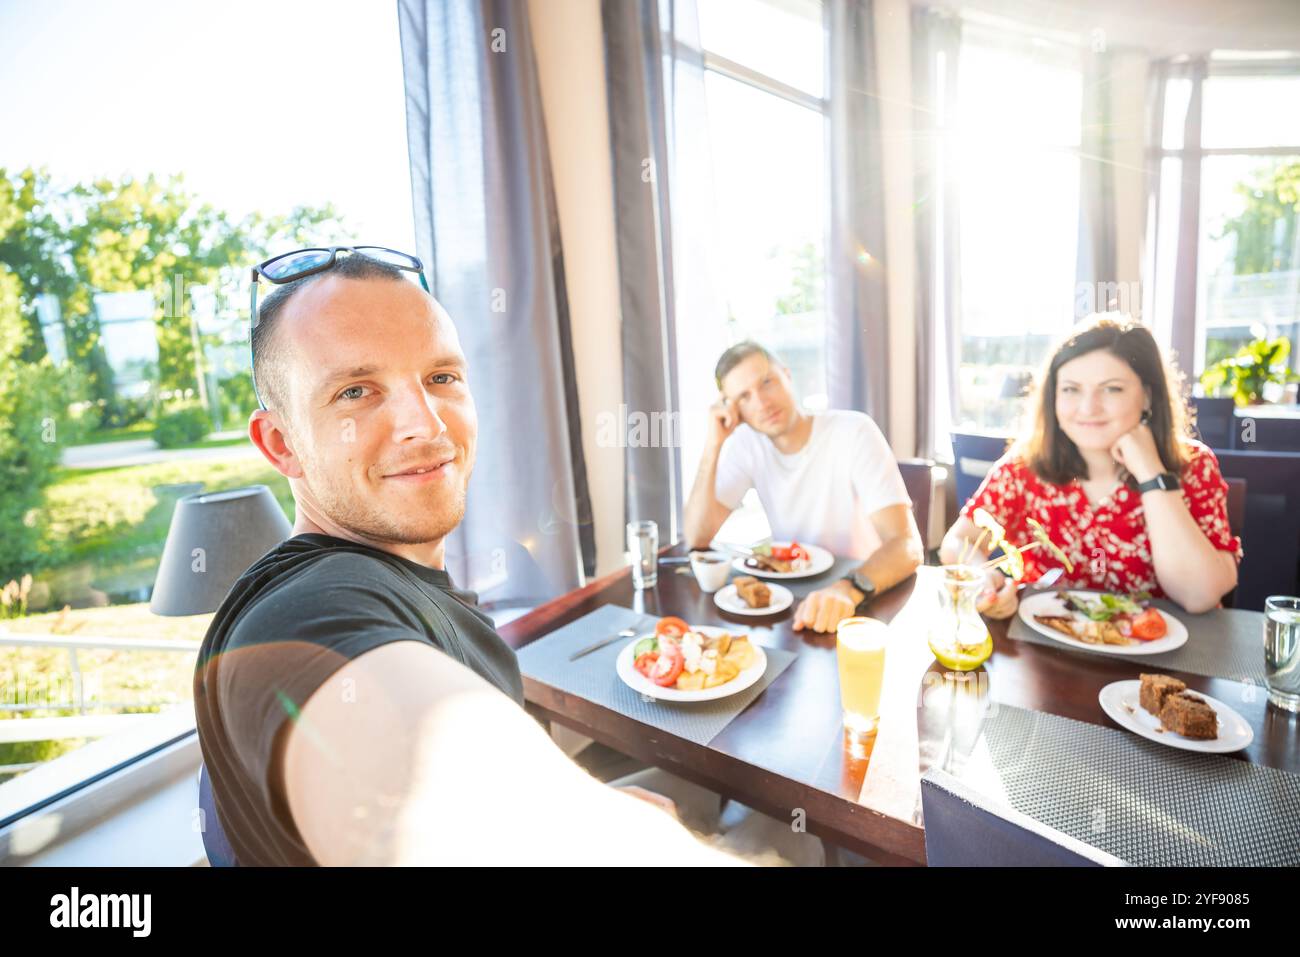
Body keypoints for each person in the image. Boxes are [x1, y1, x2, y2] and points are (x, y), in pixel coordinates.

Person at [194, 250, 754, 865]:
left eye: (441, 377)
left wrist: (591, 811)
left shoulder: (410, 585)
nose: (424, 423)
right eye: (356, 391)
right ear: (282, 444)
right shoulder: (303, 616)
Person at [939, 315, 1242, 619]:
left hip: (1164, 655)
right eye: (1071, 389)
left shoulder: (1193, 465)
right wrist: (983, 579)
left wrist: (1152, 474)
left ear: (1148, 395)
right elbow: (958, 540)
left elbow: (1198, 595)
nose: (1088, 408)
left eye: (1111, 389)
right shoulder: (1025, 465)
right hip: (1046, 647)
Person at [683, 341, 924, 633]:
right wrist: (713, 445)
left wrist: (849, 588)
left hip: (864, 598)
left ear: (787, 374)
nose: (761, 402)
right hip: (791, 605)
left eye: (767, 382)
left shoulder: (854, 431)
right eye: (744, 397)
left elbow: (906, 545)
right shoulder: (746, 446)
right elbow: (697, 537)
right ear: (732, 409)